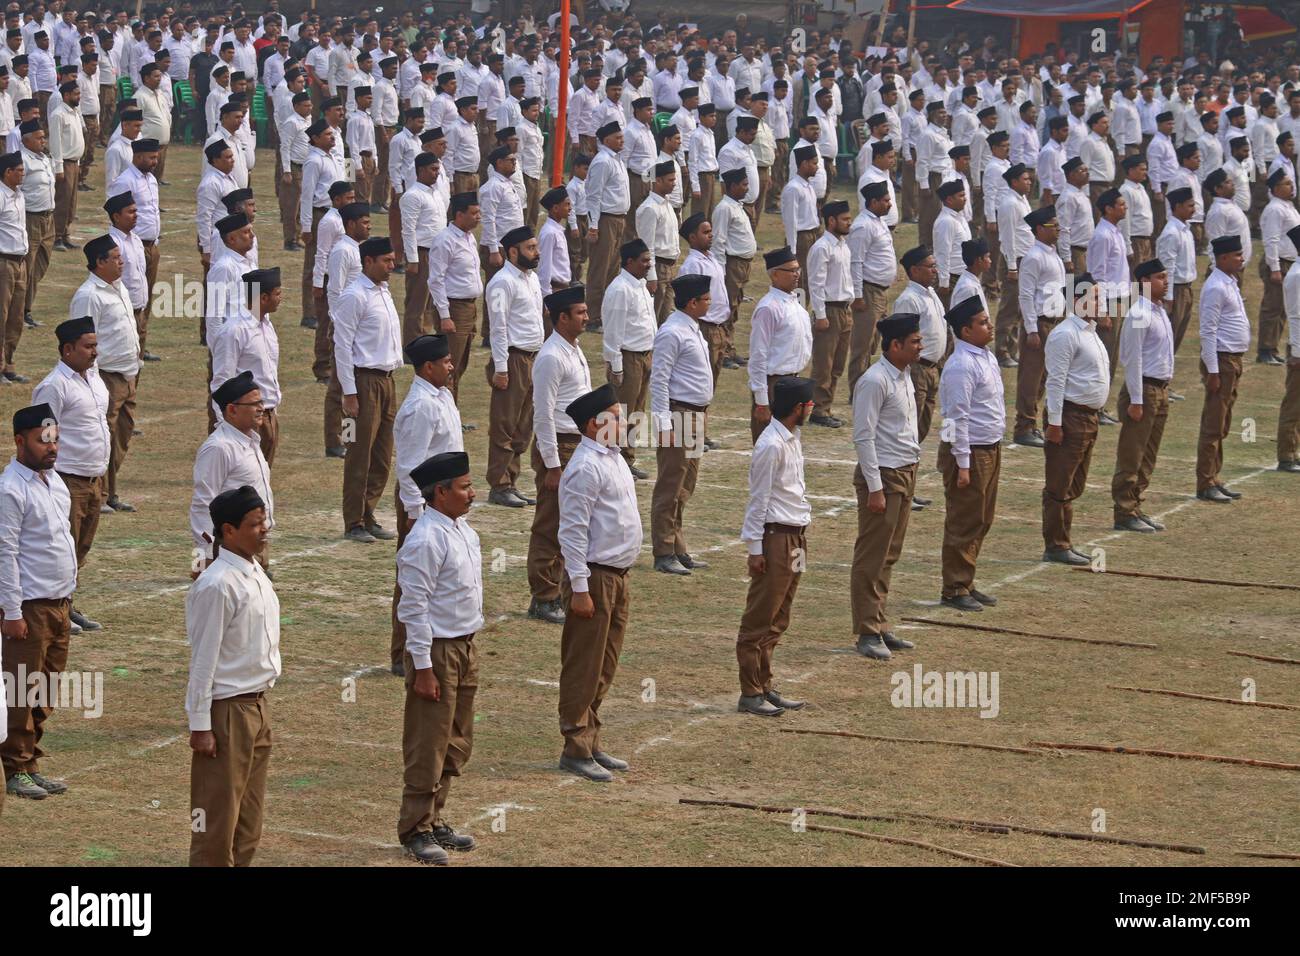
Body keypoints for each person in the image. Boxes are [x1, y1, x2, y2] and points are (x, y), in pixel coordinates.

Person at [394, 448, 480, 863]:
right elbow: (412, 608)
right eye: (464, 487)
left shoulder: (462, 530)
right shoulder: (425, 539)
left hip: (465, 646)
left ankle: (435, 817)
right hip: (439, 653)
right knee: (428, 744)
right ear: (440, 492)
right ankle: (415, 829)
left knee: (455, 742)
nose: (472, 493)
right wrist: (424, 670)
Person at [186, 485, 279, 866]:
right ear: (228, 530)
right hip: (228, 713)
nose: (264, 530)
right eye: (255, 524)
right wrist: (201, 725)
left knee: (248, 821)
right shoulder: (217, 585)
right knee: (216, 823)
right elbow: (203, 660)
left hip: (257, 707)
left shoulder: (254, 571)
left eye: (264, 522)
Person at [553, 384, 641, 781]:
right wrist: (581, 589)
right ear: (594, 424)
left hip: (617, 577)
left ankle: (591, 737)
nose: (623, 422)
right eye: (616, 416)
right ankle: (575, 745)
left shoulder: (614, 458)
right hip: (595, 577)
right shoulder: (584, 468)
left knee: (605, 664)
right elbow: (571, 533)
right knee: (584, 666)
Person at [1, 402, 77, 801]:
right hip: (29, 609)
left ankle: (30, 762)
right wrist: (12, 613)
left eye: (55, 439)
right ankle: (15, 768)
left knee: (45, 692)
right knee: (20, 691)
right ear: (19, 441)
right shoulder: (10, 489)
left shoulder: (53, 480)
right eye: (43, 439)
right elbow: (5, 553)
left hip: (59, 606)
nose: (52, 447)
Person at [737, 376, 815, 712]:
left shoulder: (791, 439)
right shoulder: (770, 445)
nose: (813, 408)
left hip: (797, 539)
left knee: (781, 614)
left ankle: (765, 683)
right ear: (798, 408)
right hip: (777, 539)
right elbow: (758, 499)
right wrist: (756, 550)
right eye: (809, 404)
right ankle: (751, 691)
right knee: (761, 616)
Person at [851, 311, 926, 657]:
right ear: (895, 345)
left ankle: (880, 622)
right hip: (884, 474)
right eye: (914, 341)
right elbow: (864, 437)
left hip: (905, 472)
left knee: (890, 554)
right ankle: (867, 630)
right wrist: (875, 487)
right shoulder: (874, 380)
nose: (920, 346)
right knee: (872, 555)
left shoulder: (905, 374)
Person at [390, 334, 462, 677]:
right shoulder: (420, 406)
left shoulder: (442, 396)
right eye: (446, 362)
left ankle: (426, 647)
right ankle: (403, 653)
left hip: (445, 500)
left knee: (440, 574)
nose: (452, 366)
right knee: (415, 578)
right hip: (424, 502)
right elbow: (408, 465)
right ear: (428, 366)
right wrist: (414, 514)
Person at [32, 317, 107, 632]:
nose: (94, 352)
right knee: (61, 548)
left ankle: (66, 604)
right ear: (67, 349)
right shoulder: (54, 387)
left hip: (93, 480)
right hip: (68, 479)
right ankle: (54, 610)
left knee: (80, 548)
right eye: (88, 346)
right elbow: (44, 438)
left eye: (95, 345)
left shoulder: (93, 378)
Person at [527, 286, 592, 625]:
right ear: (562, 317)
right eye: (580, 312)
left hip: (578, 443)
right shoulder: (551, 356)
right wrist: (552, 464)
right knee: (551, 523)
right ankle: (543, 595)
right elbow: (543, 414)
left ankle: (561, 589)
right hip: (560, 446)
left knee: (573, 521)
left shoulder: (574, 348)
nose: (586, 317)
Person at [937, 296, 1004, 612]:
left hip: (989, 447)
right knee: (964, 519)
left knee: (982, 517)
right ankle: (954, 587)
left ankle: (967, 579)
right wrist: (962, 463)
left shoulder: (985, 357)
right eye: (982, 322)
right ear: (965, 330)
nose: (989, 326)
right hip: (970, 452)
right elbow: (955, 418)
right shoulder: (961, 366)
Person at [333, 236, 403, 541]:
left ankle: (369, 510)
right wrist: (349, 393)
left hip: (387, 381)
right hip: (362, 382)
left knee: (382, 453)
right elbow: (342, 345)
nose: (392, 266)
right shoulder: (354, 295)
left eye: (392, 260)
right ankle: (354, 521)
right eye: (386, 261)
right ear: (369, 261)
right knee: (357, 452)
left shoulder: (383, 292)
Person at [1042, 275, 1111, 565]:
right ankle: (1057, 545)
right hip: (1070, 417)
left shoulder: (1090, 331)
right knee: (1060, 483)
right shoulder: (1065, 334)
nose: (1101, 302)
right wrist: (1055, 423)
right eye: (1094, 297)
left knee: (1074, 484)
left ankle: (1063, 540)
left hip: (1088, 417)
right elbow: (1055, 382)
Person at [650, 273, 714, 576]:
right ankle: (663, 550)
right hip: (679, 415)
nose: (709, 303)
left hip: (695, 415)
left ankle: (678, 545)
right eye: (705, 299)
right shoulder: (672, 332)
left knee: (686, 484)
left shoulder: (692, 328)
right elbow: (659, 380)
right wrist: (664, 423)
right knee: (670, 484)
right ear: (692, 303)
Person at [69, 232, 138, 513]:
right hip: (106, 375)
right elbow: (80, 341)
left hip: (127, 373)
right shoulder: (88, 296)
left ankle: (109, 491)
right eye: (115, 258)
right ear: (99, 262)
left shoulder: (118, 287)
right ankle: (102, 493)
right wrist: (91, 379)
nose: (121, 263)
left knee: (122, 434)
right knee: (104, 436)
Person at [1111, 259, 1175, 532]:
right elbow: (1132, 359)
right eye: (1161, 277)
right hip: (1144, 391)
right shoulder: (1139, 313)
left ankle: (1135, 505)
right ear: (1146, 282)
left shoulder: (1158, 310)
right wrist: (1136, 400)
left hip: (1159, 390)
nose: (1166, 281)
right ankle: (1124, 511)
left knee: (1148, 455)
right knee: (1132, 455)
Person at [484, 225, 544, 508]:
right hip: (513, 358)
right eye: (531, 248)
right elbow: (498, 327)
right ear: (512, 251)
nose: (536, 253)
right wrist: (501, 368)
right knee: (505, 425)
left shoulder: (531, 279)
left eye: (535, 247)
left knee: (523, 424)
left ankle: (512, 480)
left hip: (533, 358)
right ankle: (499, 483)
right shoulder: (502, 282)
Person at [191, 372, 275, 572]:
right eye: (254, 404)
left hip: (252, 541)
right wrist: (202, 561)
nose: (261, 408)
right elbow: (202, 502)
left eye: (261, 402)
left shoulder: (252, 441)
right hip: (228, 549)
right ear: (232, 410)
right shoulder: (219, 447)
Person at [1196, 234, 1250, 503]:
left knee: (1223, 422)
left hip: (1232, 360)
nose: (1242, 258)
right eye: (1238, 255)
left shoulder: (1230, 282)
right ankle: (1205, 481)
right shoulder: (1215, 286)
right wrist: (1214, 371)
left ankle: (1214, 476)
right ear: (1224, 258)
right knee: (1213, 423)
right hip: (1222, 360)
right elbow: (1207, 330)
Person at [210, 269, 283, 465]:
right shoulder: (234, 331)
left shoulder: (267, 326)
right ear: (264, 297)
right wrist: (225, 427)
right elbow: (221, 380)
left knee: (260, 480)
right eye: (277, 293)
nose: (281, 298)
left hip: (268, 414)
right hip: (246, 420)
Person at [1014, 205, 1068, 447]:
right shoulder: (1033, 257)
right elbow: (1025, 295)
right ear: (1039, 229)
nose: (1058, 229)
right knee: (1031, 377)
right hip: (1040, 323)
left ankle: (1032, 422)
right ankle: (1023, 426)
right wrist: (1032, 329)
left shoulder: (1052, 253)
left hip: (1055, 322)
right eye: (1053, 226)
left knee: (1045, 376)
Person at [602, 239, 657, 478]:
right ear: (629, 262)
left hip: (645, 355)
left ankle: (627, 460)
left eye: (649, 260)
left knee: (637, 412)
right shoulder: (620, 289)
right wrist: (616, 365)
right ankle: (612, 460)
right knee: (621, 413)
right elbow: (613, 331)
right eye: (644, 261)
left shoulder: (640, 286)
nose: (648, 265)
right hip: (628, 358)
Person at [748, 246, 814, 443]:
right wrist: (761, 401)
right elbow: (758, 355)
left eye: (798, 270)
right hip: (774, 384)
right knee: (770, 445)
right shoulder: (769, 308)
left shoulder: (794, 303)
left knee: (789, 444)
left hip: (793, 381)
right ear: (775, 274)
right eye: (791, 270)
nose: (796, 275)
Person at [427, 192, 482, 405]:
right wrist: (444, 315)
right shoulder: (445, 241)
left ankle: (451, 410)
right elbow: (436, 280)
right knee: (447, 368)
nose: (478, 217)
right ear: (459, 214)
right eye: (474, 213)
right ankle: (443, 412)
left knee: (459, 367)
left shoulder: (469, 237)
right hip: (454, 309)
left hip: (469, 309)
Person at [893, 246, 949, 453]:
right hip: (917, 368)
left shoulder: (931, 294)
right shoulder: (909, 300)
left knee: (922, 424)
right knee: (910, 423)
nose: (935, 271)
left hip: (932, 368)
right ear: (915, 270)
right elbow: (902, 340)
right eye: (931, 266)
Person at [848, 180, 896, 390]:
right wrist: (857, 296)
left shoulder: (878, 221)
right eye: (886, 201)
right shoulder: (862, 226)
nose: (890, 204)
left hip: (880, 292)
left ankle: (866, 387)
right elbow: (855, 262)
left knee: (874, 343)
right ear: (873, 202)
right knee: (862, 344)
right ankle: (857, 390)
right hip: (868, 291)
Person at [583, 122, 630, 328]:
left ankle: (607, 312)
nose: (622, 140)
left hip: (619, 218)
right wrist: (593, 226)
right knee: (599, 270)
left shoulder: (617, 159)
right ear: (607, 140)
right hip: (605, 220)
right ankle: (593, 316)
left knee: (613, 269)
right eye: (618, 137)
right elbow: (593, 196)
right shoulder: (602, 161)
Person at [1259, 168, 1300, 365]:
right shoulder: (1275, 209)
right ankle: (1265, 349)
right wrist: (1274, 268)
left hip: (1290, 261)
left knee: (1284, 308)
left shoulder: (1288, 206)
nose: (1291, 186)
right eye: (1287, 184)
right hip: (1279, 262)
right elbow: (1271, 240)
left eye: (1291, 183)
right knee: (1273, 307)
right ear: (1275, 188)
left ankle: (1273, 348)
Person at [0, 151, 29, 386]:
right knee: (1, 316)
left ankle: (8, 363)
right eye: (19, 170)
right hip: (4, 262)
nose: (23, 174)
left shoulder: (19, 195)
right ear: (7, 173)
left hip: (20, 261)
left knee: (16, 317)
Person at [1279, 222, 1300, 473]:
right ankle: (1286, 454)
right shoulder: (1296, 276)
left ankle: (1294, 449)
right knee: (1293, 404)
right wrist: (1296, 353)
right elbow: (1295, 316)